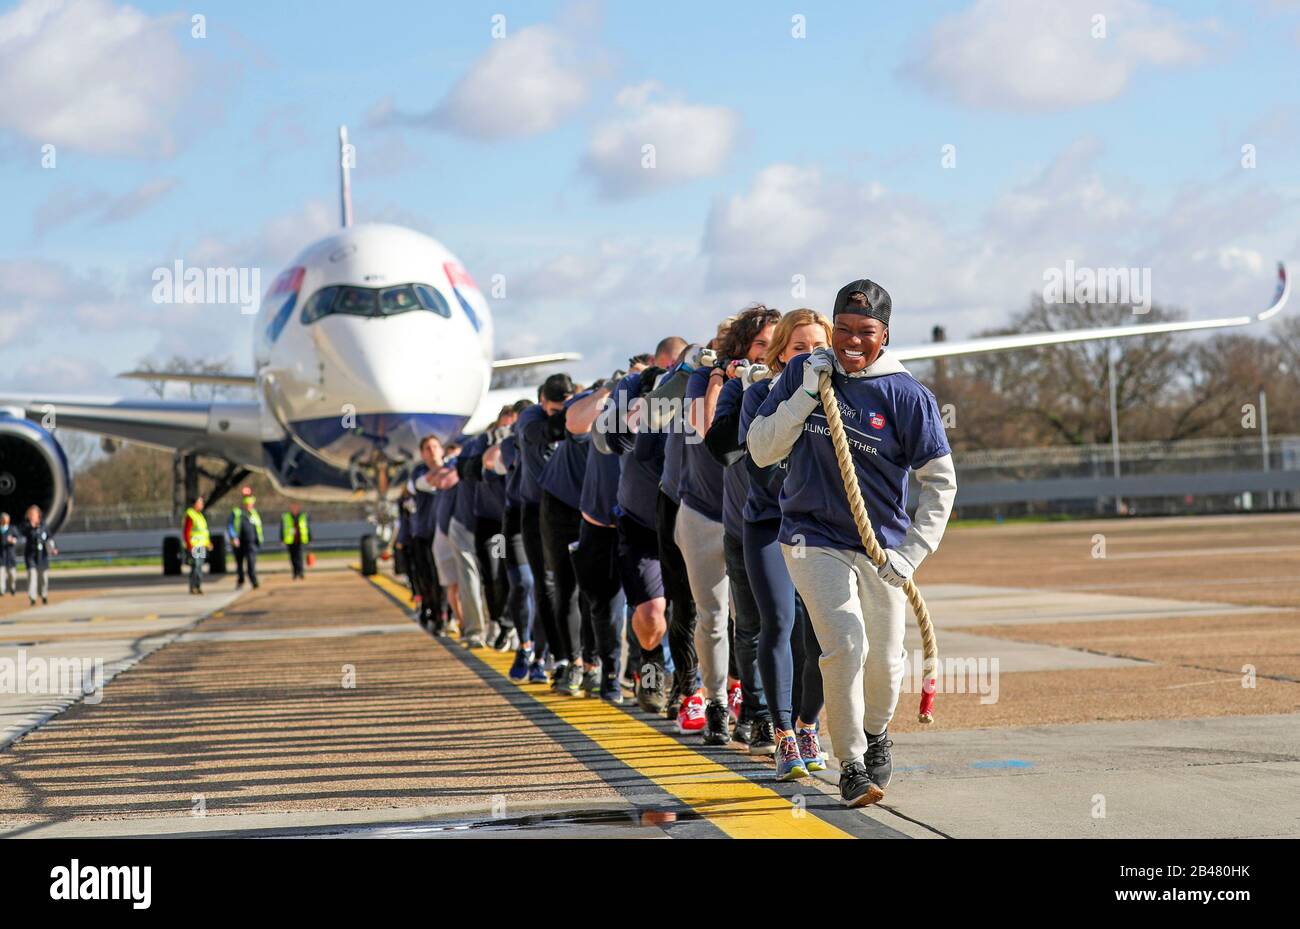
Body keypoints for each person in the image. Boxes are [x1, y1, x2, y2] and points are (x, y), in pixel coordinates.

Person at [748, 279, 957, 807]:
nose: (851, 342)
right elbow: (761, 450)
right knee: (845, 643)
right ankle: (852, 763)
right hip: (809, 537)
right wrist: (803, 394)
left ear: (884, 334)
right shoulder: (803, 372)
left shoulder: (908, 396)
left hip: (881, 548)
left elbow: (941, 483)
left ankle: (878, 730)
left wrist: (911, 553)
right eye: (842, 329)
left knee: (886, 661)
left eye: (864, 332)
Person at [738, 309, 832, 780]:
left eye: (819, 347)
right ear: (781, 353)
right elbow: (757, 464)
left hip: (818, 529)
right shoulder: (757, 394)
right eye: (799, 348)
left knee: (820, 636)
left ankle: (808, 723)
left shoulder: (840, 398)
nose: (810, 356)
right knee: (778, 620)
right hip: (769, 524)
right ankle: (782, 736)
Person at [678, 308, 778, 745]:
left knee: (752, 620)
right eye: (759, 346)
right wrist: (722, 375)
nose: (767, 354)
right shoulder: (706, 381)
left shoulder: (775, 382)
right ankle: (715, 700)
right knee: (713, 616)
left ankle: (754, 710)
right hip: (703, 511)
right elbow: (707, 426)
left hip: (746, 514)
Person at [593, 337, 685, 714]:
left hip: (687, 517)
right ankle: (648, 666)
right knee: (650, 615)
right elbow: (608, 440)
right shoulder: (634, 387)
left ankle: (689, 689)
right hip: (639, 519)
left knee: (693, 614)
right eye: (665, 368)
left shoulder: (699, 387)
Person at [517, 373, 575, 682]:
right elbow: (545, 432)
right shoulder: (530, 417)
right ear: (543, 402)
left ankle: (574, 654)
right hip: (535, 509)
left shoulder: (576, 410)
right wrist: (572, 414)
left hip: (571, 510)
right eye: (554, 409)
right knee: (545, 583)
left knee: (572, 586)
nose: (560, 414)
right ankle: (558, 654)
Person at [493, 400, 537, 681]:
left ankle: (545, 654)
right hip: (515, 517)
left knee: (546, 587)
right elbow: (512, 462)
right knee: (523, 583)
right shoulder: (510, 443)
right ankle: (525, 645)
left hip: (543, 513)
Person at [22, 505, 57, 605]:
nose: (32, 516)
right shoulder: (26, 526)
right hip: (31, 555)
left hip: (42, 555)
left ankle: (43, 595)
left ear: (38, 515)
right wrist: (31, 526)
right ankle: (32, 597)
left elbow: (49, 538)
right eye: (30, 514)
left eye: (34, 514)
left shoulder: (44, 526)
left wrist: (53, 549)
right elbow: (21, 533)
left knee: (43, 578)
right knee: (32, 576)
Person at [227, 491, 263, 590]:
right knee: (239, 564)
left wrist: (258, 540)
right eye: (248, 504)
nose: (250, 506)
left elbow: (258, 528)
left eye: (251, 504)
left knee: (251, 563)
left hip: (251, 544)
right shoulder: (237, 513)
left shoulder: (254, 514)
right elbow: (230, 526)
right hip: (238, 543)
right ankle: (241, 580)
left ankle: (254, 581)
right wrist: (234, 537)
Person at [182, 495, 210, 595]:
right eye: (200, 502)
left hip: (201, 545)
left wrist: (208, 543)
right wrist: (189, 545)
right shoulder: (191, 515)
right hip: (195, 546)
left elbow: (203, 532)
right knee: (196, 566)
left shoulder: (200, 516)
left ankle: (198, 586)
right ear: (195, 504)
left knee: (199, 566)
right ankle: (193, 586)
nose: (202, 505)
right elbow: (186, 532)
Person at [282, 502, 310, 580]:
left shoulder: (302, 516)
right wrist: (282, 538)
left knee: (299, 556)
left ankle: (300, 572)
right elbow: (282, 528)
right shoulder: (286, 516)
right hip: (290, 540)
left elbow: (307, 527)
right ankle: (295, 573)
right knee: (292, 557)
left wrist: (309, 538)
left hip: (300, 539)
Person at [0, 512, 18, 596]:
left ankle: (12, 587)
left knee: (12, 575)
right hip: (1, 556)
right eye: (3, 519)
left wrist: (13, 540)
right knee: (1, 575)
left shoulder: (12, 529)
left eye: (6, 519)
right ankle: (2, 590)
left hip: (10, 556)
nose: (4, 521)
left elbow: (18, 539)